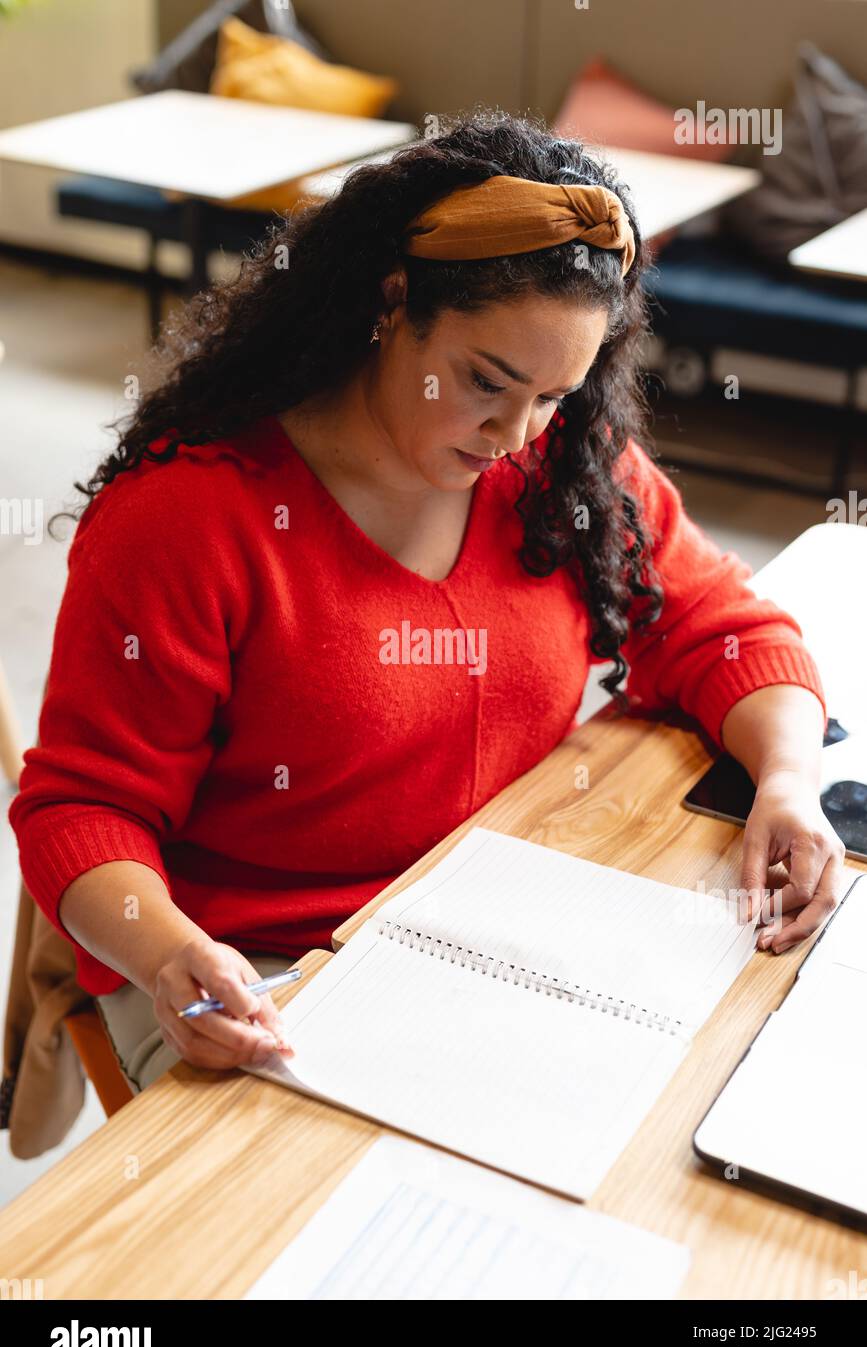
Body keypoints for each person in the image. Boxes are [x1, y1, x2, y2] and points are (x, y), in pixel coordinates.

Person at [8, 111, 845, 1097]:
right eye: (486, 382)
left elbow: (723, 627)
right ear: (392, 300)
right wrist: (165, 954)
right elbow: (82, 806)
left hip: (485, 920)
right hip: (259, 972)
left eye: (554, 395)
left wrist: (789, 782)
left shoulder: (559, 465)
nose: (513, 431)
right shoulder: (188, 519)